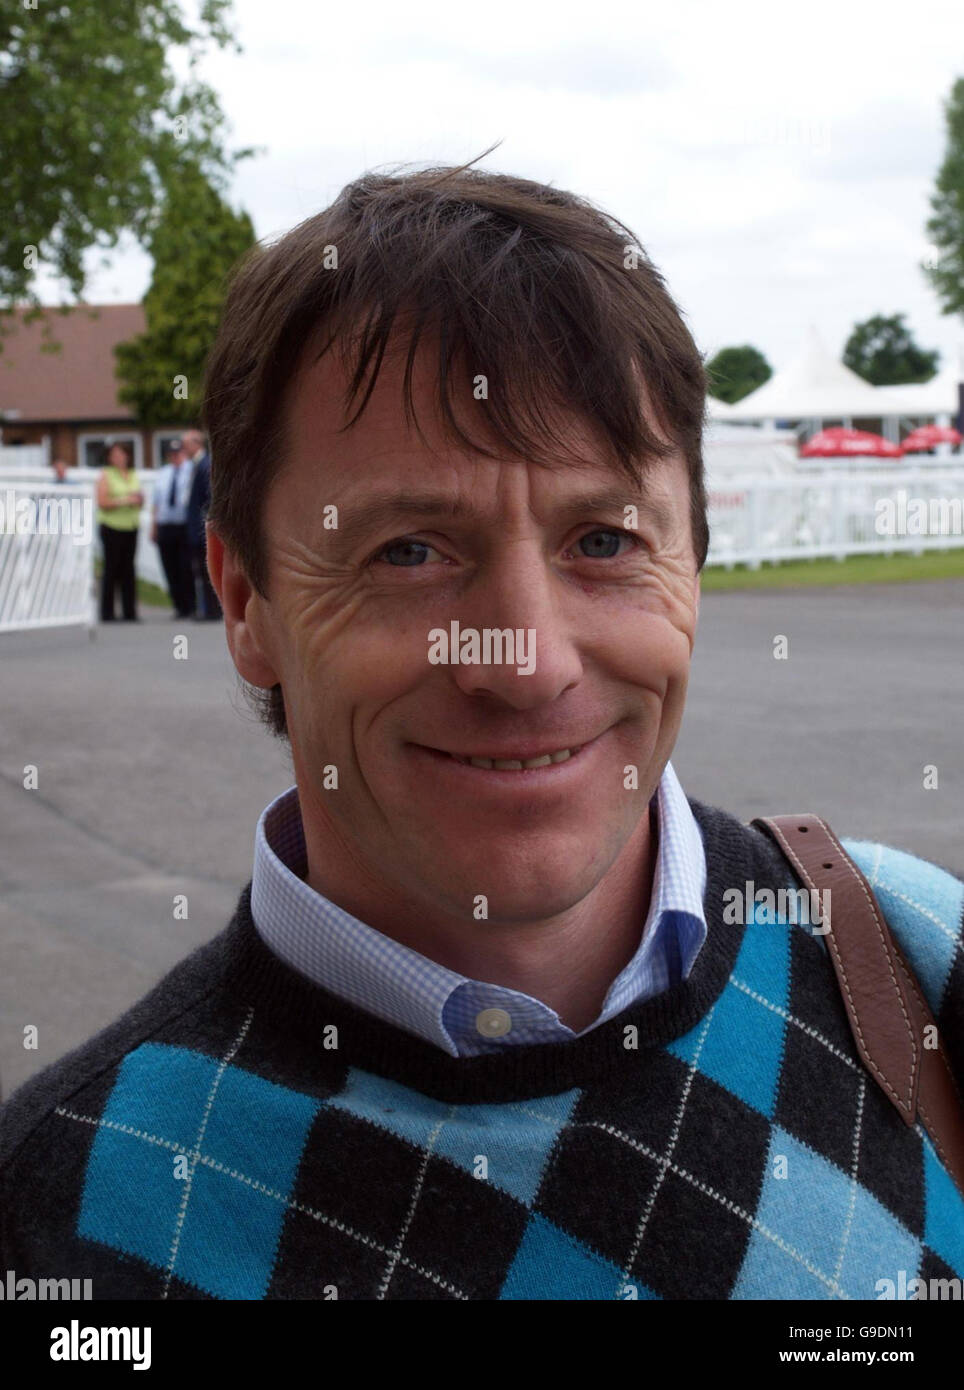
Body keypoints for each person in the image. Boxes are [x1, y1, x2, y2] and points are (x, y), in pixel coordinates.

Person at [1, 164, 961, 1302]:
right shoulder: (56, 1216)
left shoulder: (905, 957)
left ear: (692, 564)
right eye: (409, 551)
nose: (528, 662)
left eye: (603, 540)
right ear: (245, 600)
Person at [94, 440, 142, 622]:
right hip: (112, 527)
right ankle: (107, 612)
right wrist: (125, 500)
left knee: (129, 569)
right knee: (111, 569)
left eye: (121, 454)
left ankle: (130, 611)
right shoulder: (106, 475)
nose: (118, 458)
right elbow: (103, 502)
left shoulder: (132, 474)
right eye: (114, 455)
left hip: (130, 525)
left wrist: (138, 500)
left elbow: (138, 497)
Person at [150, 437, 195, 619]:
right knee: (169, 567)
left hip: (182, 525)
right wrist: (154, 527)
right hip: (165, 525)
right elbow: (156, 503)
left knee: (185, 567)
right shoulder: (163, 473)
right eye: (172, 454)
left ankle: (190, 604)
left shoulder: (191, 471)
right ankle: (178, 605)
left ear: (183, 453)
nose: (175, 457)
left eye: (178, 453)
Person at [184, 427, 222, 621]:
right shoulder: (197, 465)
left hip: (201, 529)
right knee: (200, 570)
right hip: (196, 528)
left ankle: (210, 610)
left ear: (196, 444)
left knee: (206, 571)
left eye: (186, 444)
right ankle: (206, 608)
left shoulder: (204, 465)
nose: (184, 448)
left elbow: (208, 499)